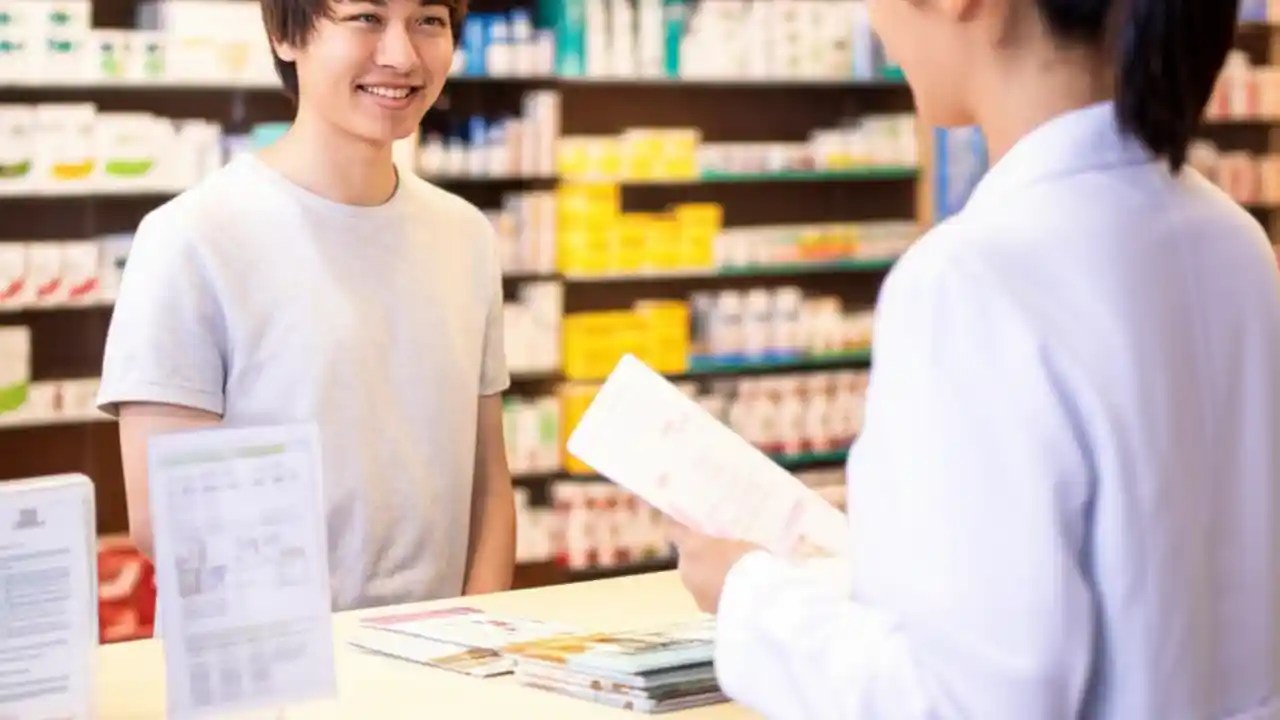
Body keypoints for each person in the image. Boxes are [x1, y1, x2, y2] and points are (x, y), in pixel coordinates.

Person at [670, 0, 1280, 717]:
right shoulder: (1230, 238)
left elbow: (963, 700)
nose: (873, 20)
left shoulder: (973, 278)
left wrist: (746, 593)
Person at [96, 0, 516, 612]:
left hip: (438, 670)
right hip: (267, 684)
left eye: (429, 21)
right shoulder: (193, 236)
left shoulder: (465, 235)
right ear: (284, 34)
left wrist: (473, 640)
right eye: (366, 18)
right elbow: (172, 519)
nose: (401, 55)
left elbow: (489, 490)